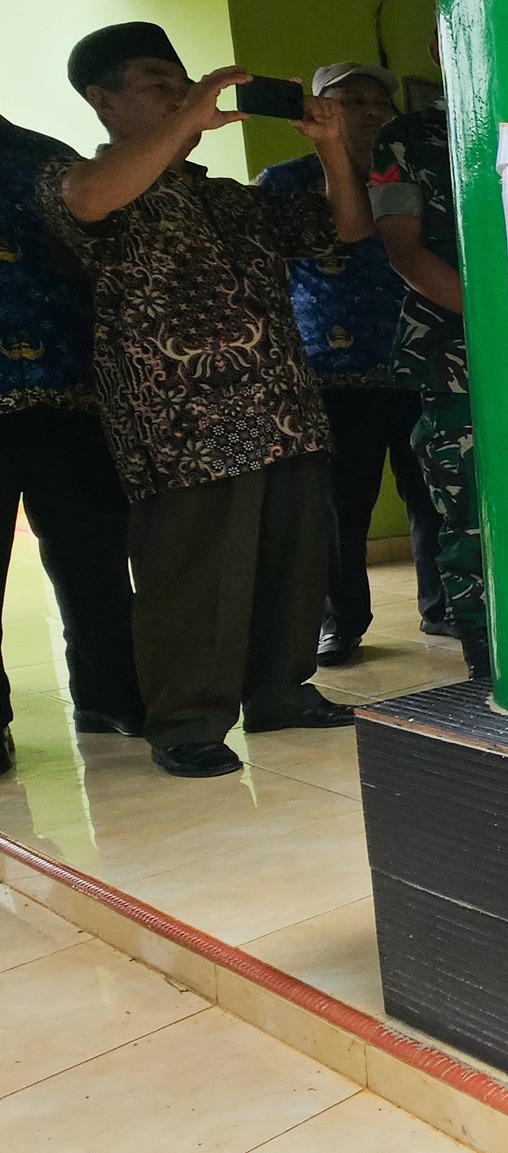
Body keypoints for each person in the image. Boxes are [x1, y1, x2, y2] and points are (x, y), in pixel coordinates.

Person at [39, 23, 371, 778]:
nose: (185, 97)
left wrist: (329, 145)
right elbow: (90, 200)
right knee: (192, 577)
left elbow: (346, 227)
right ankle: (187, 720)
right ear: (103, 100)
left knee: (294, 565)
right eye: (161, 85)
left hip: (283, 411)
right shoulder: (77, 180)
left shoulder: (227, 198)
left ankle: (281, 692)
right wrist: (192, 115)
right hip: (181, 422)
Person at [259, 61, 445, 669]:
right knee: (343, 506)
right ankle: (341, 624)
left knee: (434, 495)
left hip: (421, 362)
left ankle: (443, 605)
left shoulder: (416, 179)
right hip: (332, 373)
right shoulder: (282, 184)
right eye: (349, 101)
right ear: (316, 111)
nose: (367, 111)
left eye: (376, 102)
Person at [1, 113, 148, 775]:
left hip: (68, 388)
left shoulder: (41, 154)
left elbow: (91, 253)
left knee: (95, 558)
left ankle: (112, 695)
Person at [369, 48, 489, 680]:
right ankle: (482, 650)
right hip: (455, 353)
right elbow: (405, 252)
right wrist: (500, 321)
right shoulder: (407, 140)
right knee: (467, 506)